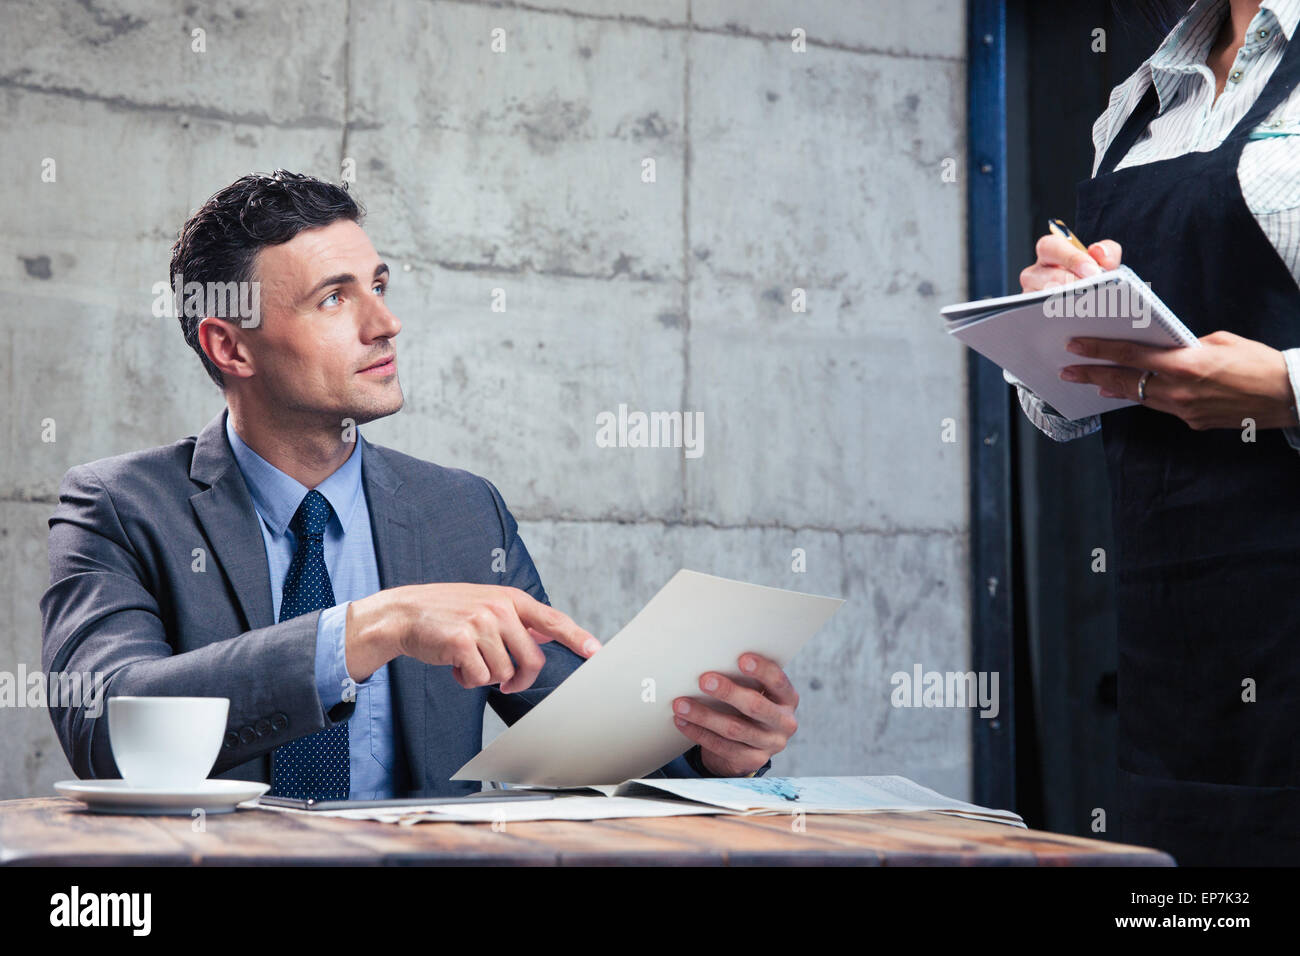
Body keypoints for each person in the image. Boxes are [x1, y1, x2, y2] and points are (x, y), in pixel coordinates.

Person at [39, 170, 797, 799]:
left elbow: (587, 737)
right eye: (334, 298)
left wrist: (720, 752)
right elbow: (107, 727)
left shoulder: (462, 513)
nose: (386, 322)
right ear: (230, 345)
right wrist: (372, 628)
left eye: (379, 284)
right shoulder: (120, 506)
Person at [1013, 0, 1300, 865]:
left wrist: (1285, 389)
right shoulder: (1132, 106)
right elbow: (1066, 405)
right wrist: (1055, 323)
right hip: (1175, 654)